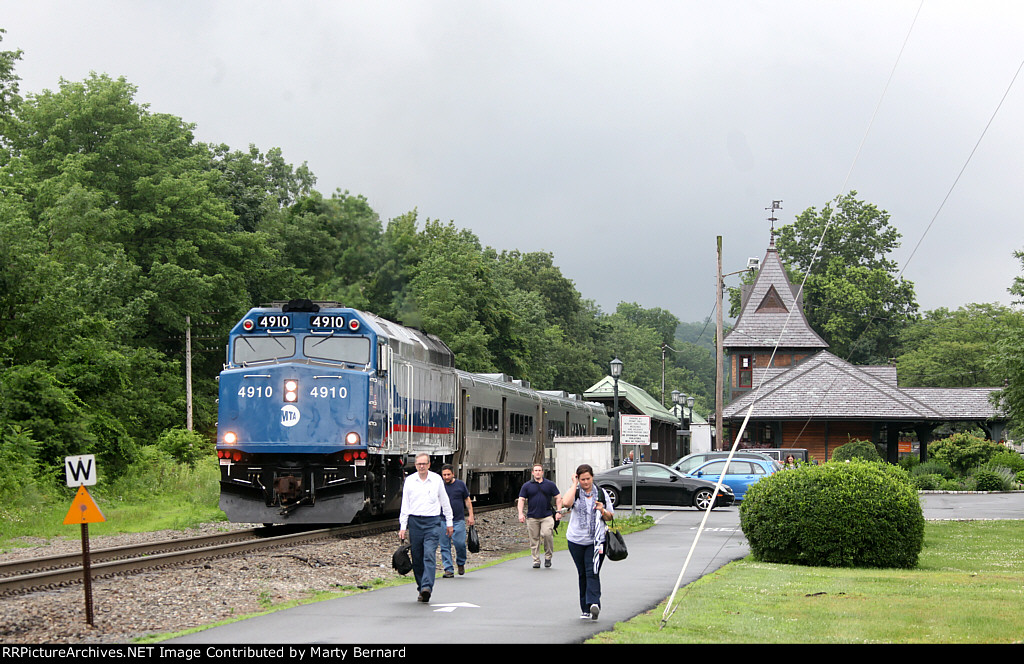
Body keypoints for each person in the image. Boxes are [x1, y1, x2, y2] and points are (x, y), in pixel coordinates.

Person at [398, 453, 453, 603]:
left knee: (429, 554)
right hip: (415, 522)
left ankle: (427, 587)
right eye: (418, 464)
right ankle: (421, 586)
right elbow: (405, 505)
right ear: (415, 465)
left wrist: (449, 522)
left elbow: (445, 501)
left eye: (424, 464)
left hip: (432, 522)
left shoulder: (436, 480)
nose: (421, 466)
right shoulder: (410, 481)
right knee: (417, 557)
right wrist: (403, 526)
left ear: (429, 465)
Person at [562, 463, 614, 621]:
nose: (585, 482)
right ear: (578, 479)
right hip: (576, 540)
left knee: (592, 571)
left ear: (592, 477)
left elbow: (610, 516)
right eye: (582, 479)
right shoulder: (576, 492)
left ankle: (594, 603)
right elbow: (566, 503)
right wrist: (574, 484)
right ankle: (585, 609)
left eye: (588, 479)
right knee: (582, 573)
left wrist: (602, 510)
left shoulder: (601, 494)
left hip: (596, 540)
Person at [517, 463, 562, 568]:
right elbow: (521, 499)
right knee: (534, 539)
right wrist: (520, 513)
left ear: (542, 472)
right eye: (536, 471)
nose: (537, 472)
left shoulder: (550, 484)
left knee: (547, 534)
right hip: (532, 516)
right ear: (533, 473)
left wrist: (558, 511)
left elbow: (558, 497)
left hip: (547, 516)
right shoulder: (527, 486)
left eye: (539, 470)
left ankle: (548, 557)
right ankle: (536, 560)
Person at [438, 463, 474, 578]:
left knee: (460, 544)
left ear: (453, 474)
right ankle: (448, 569)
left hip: (458, 520)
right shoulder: (439, 486)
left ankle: (461, 562)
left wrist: (471, 515)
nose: (446, 477)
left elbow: (467, 500)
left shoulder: (460, 485)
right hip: (442, 520)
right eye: (444, 475)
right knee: (444, 546)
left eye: (448, 474)